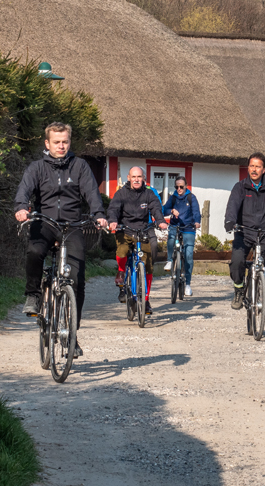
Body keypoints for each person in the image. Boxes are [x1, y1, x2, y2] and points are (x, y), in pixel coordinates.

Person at [14, 122, 107, 358]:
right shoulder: (37, 168)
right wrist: (21, 208)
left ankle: (72, 335)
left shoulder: (79, 166)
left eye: (65, 141)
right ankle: (34, 294)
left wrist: (99, 215)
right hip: (44, 223)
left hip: (72, 226)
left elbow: (92, 194)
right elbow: (24, 191)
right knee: (35, 252)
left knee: (77, 279)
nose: (61, 146)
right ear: (47, 144)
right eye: (56, 142)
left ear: (69, 142)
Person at [224, 153, 265, 315]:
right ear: (248, 167)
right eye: (252, 166)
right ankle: (238, 290)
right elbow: (233, 206)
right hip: (244, 231)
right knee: (237, 261)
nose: (254, 169)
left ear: (263, 170)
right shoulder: (240, 187)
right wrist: (230, 221)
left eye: (258, 166)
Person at [107, 166, 168, 315]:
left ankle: (145, 300)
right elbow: (113, 209)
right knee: (122, 251)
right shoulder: (121, 193)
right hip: (125, 229)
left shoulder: (149, 194)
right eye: (133, 177)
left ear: (144, 179)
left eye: (139, 177)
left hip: (144, 230)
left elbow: (156, 208)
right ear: (129, 178)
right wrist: (113, 221)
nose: (136, 179)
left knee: (148, 262)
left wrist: (160, 221)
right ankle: (121, 272)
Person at [162, 176, 201, 296]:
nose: (179, 189)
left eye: (181, 187)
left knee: (188, 255)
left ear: (186, 186)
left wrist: (197, 222)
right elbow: (164, 210)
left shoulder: (191, 197)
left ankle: (187, 284)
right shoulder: (173, 198)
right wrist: (171, 211)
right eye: (177, 187)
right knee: (171, 239)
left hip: (188, 227)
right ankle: (169, 260)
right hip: (175, 226)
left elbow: (196, 211)